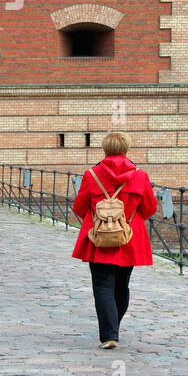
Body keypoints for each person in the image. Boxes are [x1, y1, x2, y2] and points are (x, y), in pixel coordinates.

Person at [71, 131, 157, 349]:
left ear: (105, 149)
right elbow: (149, 208)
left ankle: (109, 334)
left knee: (102, 285)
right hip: (128, 238)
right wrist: (127, 220)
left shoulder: (92, 175)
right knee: (121, 287)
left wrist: (100, 220)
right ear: (127, 149)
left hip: (99, 239)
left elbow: (79, 207)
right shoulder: (140, 176)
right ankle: (112, 328)